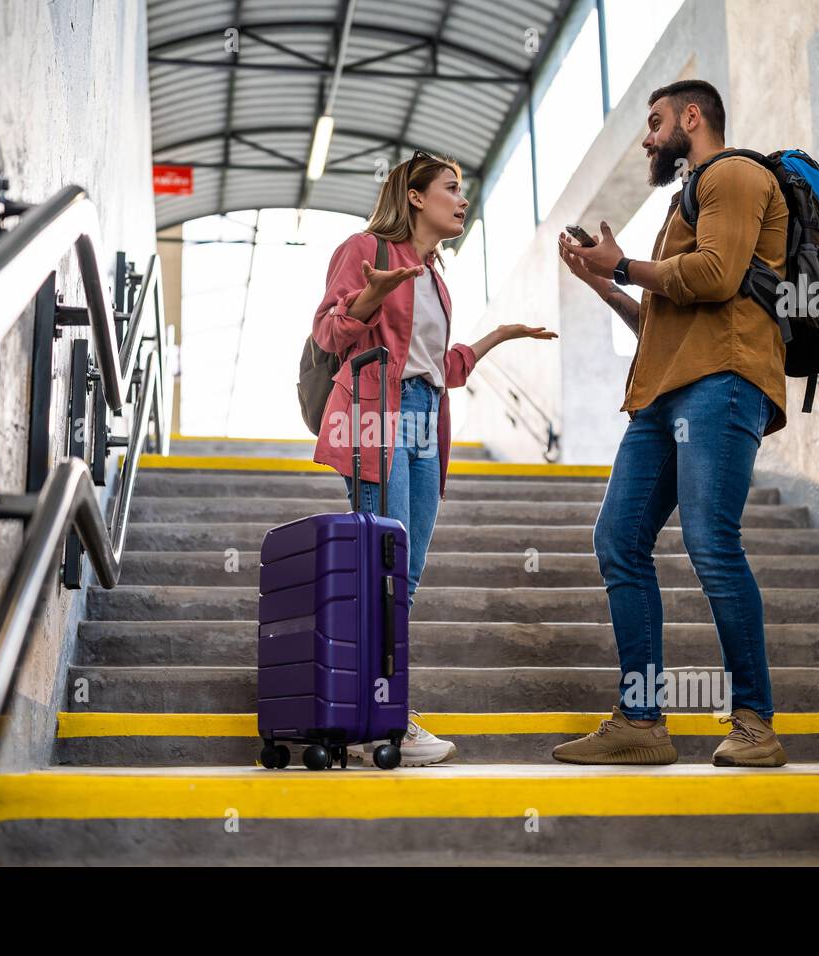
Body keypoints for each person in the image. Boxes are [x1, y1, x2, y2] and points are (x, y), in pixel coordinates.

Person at [553, 79, 790, 768]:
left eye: (655, 122)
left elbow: (716, 277)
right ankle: (642, 720)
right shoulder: (683, 201)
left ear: (694, 116)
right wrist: (607, 284)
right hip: (664, 395)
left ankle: (754, 722)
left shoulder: (737, 175)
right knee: (618, 539)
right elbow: (661, 321)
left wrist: (624, 263)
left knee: (710, 540)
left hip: (723, 382)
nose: (649, 137)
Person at [311, 149, 556, 766]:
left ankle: (378, 710)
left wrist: (497, 336)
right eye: (452, 187)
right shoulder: (365, 249)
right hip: (375, 412)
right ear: (416, 197)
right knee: (380, 568)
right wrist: (369, 298)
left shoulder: (436, 278)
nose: (462, 198)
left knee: (407, 574)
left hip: (422, 418)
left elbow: (437, 369)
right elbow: (329, 335)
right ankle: (379, 720)